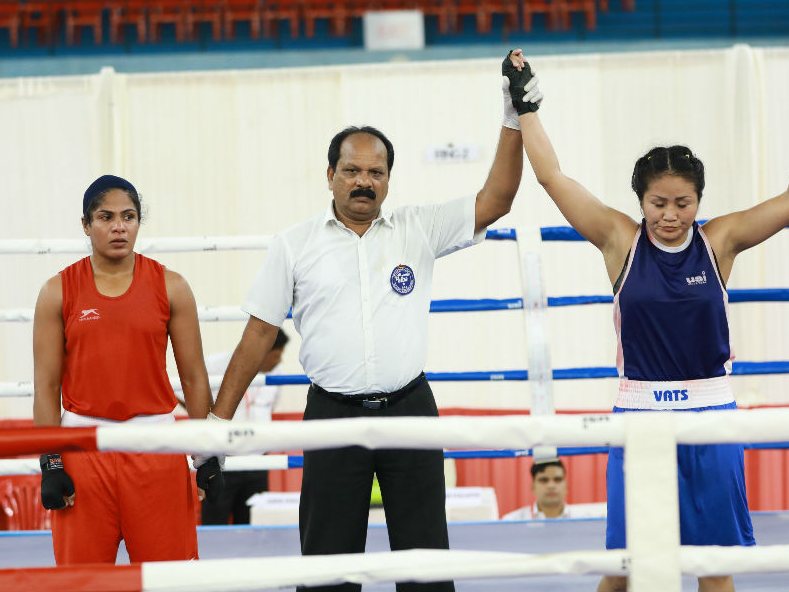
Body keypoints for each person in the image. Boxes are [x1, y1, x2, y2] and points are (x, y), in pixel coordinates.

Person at [210, 49, 543, 592]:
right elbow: (257, 336)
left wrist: (513, 116)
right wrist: (217, 429)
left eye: (375, 172)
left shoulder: (419, 228)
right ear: (330, 175)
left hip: (410, 410)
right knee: (327, 572)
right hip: (332, 415)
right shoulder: (293, 246)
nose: (363, 182)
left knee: (425, 567)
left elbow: (498, 199)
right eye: (352, 171)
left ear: (389, 179)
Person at [511, 60, 789, 592]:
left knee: (714, 569)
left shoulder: (719, 241)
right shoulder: (619, 239)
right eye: (658, 203)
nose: (670, 215)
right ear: (640, 201)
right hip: (638, 414)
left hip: (712, 413)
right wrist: (525, 108)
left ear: (699, 201)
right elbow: (552, 176)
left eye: (683, 203)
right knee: (625, 570)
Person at [32, 175, 224, 564]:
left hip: (156, 448)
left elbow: (194, 376)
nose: (119, 226)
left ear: (139, 222)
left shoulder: (171, 286)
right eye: (106, 217)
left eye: (129, 216)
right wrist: (50, 463)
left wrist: (207, 455)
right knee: (81, 582)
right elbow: (46, 385)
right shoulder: (58, 290)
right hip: (84, 450)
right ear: (86, 225)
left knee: (173, 580)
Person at [198, 328, 289, 525]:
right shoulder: (216, 365)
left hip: (258, 462)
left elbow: (270, 407)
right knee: (215, 524)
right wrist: (207, 421)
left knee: (254, 527)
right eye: (275, 356)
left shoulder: (276, 372)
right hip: (224, 461)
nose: (278, 362)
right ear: (261, 350)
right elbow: (184, 394)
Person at [502, 459, 570, 520]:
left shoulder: (579, 517)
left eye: (557, 479)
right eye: (544, 480)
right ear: (533, 487)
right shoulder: (512, 521)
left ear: (566, 486)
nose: (551, 486)